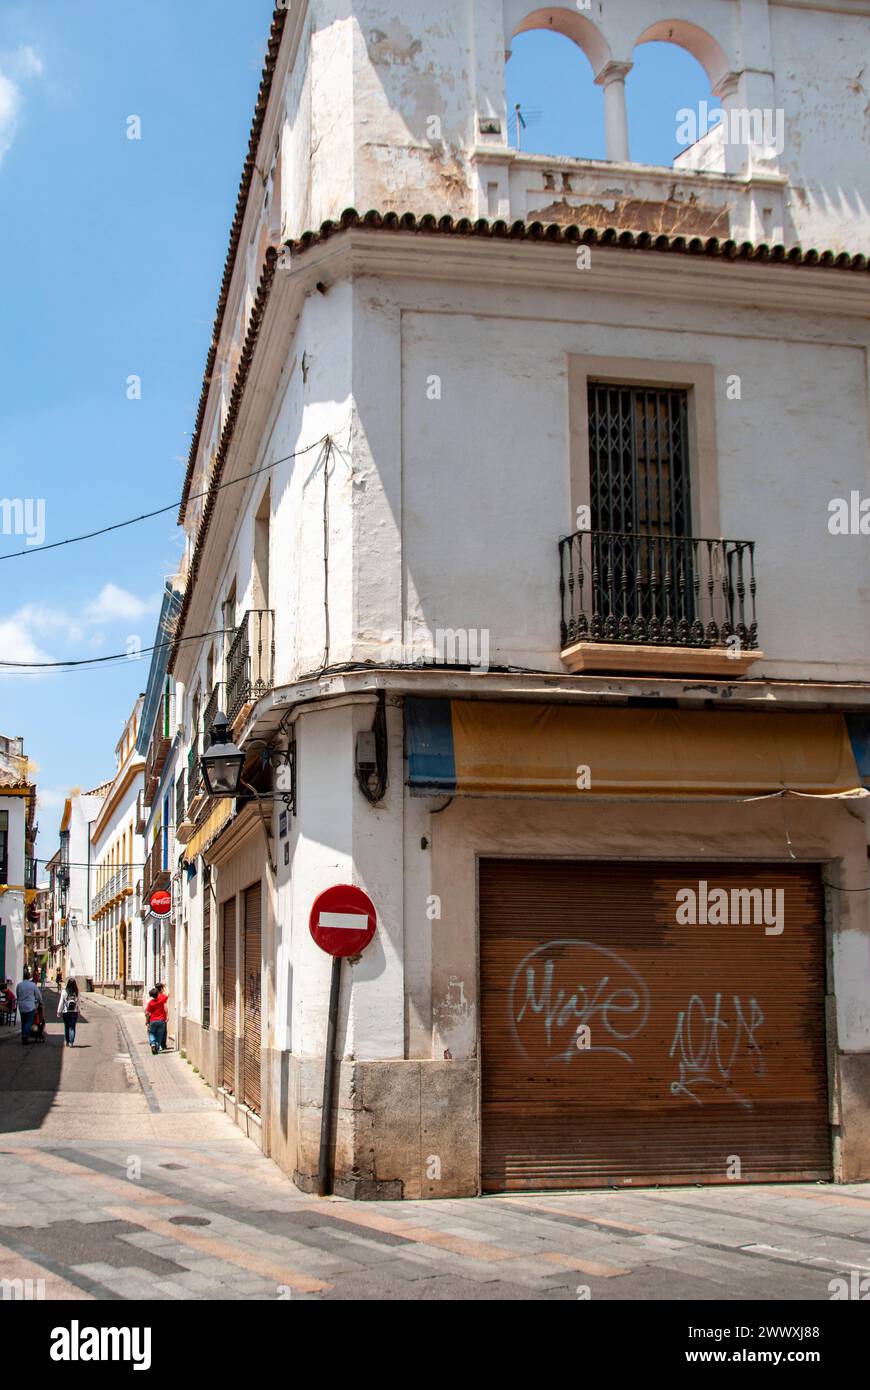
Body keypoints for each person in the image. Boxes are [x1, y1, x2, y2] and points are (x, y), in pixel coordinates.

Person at [15, 968, 42, 1045]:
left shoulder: (19, 985)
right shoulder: (32, 985)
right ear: (29, 976)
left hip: (22, 1006)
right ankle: (25, 1036)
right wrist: (39, 1001)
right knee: (29, 1022)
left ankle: (24, 1037)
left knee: (23, 1022)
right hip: (30, 1006)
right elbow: (38, 996)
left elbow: (18, 994)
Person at [145, 985, 168, 1055]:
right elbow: (167, 994)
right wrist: (164, 987)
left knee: (151, 1033)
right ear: (158, 993)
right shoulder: (162, 999)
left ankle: (153, 1044)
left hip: (153, 1021)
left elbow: (147, 1013)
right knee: (159, 1035)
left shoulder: (150, 1003)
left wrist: (147, 1022)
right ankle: (157, 1047)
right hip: (161, 1021)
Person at [58, 978, 81, 1047]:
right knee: (72, 1027)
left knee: (66, 1027)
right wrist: (79, 1010)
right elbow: (78, 1002)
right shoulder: (77, 992)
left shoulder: (64, 991)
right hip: (74, 1012)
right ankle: (71, 1042)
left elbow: (61, 1002)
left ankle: (67, 1041)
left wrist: (59, 1011)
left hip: (66, 1011)